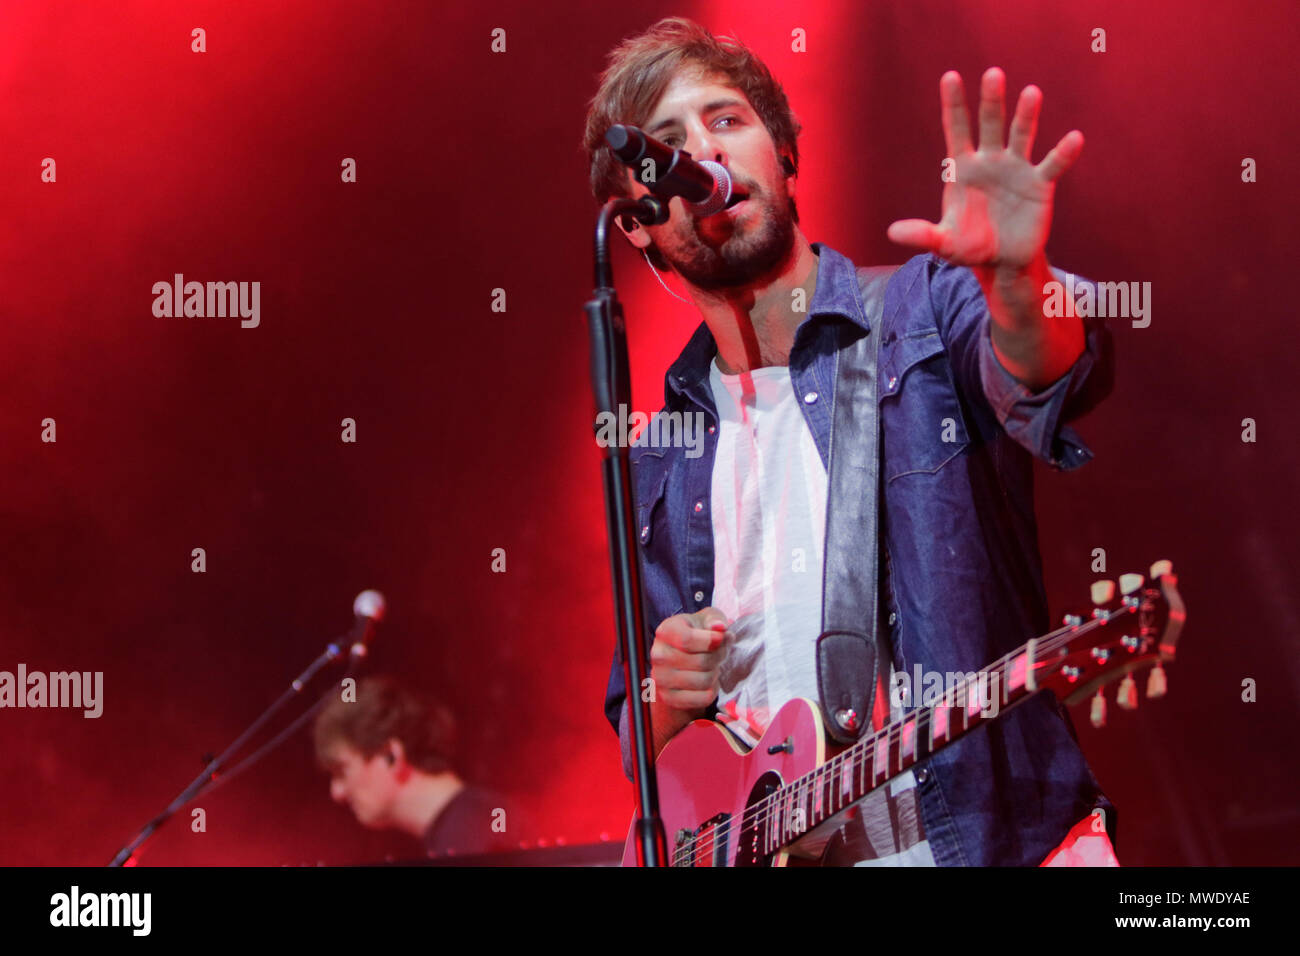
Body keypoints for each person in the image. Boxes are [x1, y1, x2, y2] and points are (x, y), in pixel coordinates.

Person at [582, 17, 1119, 866]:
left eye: (726, 123)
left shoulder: (919, 314)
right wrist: (663, 698)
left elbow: (1057, 373)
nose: (701, 159)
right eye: (666, 147)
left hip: (990, 842)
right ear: (640, 223)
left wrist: (1020, 280)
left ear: (785, 153)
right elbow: (637, 741)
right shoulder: (658, 451)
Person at [313, 676, 518, 858]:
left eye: (342, 771)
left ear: (390, 756)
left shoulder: (472, 836)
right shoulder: (471, 825)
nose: (336, 792)